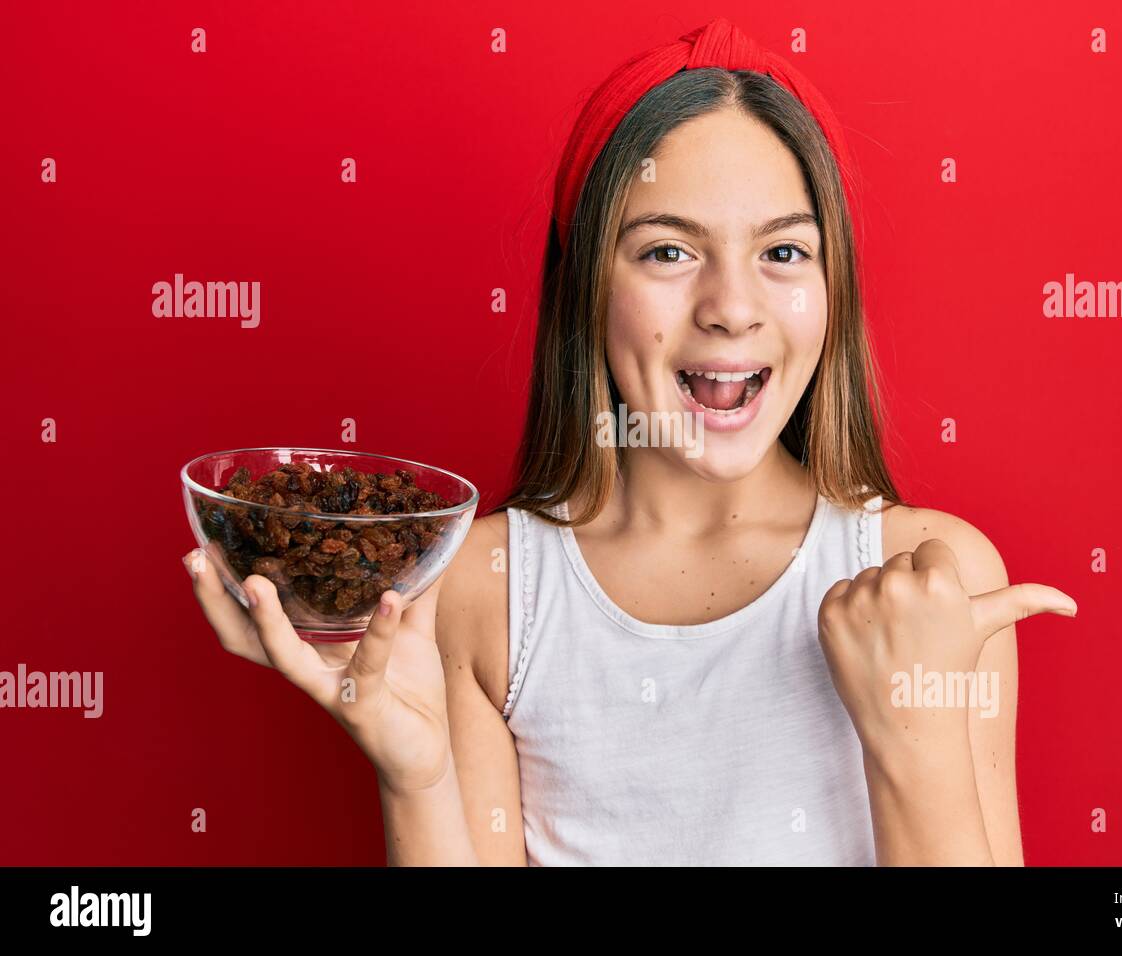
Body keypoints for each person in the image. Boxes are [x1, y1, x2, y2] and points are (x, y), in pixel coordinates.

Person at [183, 18, 1076, 866]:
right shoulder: (481, 592)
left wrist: (910, 731)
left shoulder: (935, 576)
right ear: (584, 288)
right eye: (667, 252)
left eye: (785, 253)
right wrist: (414, 777)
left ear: (832, 286)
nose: (731, 305)